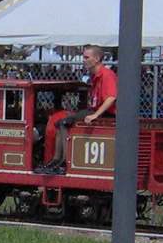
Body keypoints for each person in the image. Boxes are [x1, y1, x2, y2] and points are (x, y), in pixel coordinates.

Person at [36, 45, 117, 175]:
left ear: (96, 59)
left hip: (106, 114)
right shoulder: (94, 76)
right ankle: (56, 160)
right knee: (60, 123)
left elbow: (111, 97)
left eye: (86, 57)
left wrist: (95, 115)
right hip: (95, 110)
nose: (83, 60)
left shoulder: (107, 75)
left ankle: (64, 162)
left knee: (64, 122)